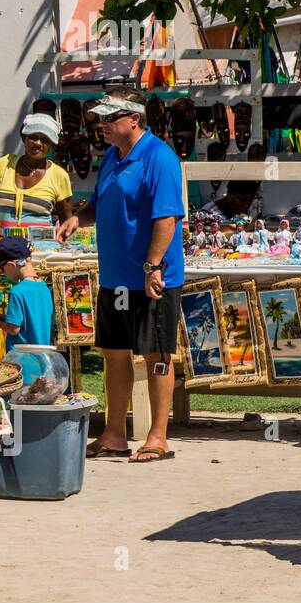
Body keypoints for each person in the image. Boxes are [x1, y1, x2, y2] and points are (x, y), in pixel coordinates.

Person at [55, 88, 185, 464]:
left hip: (152, 277)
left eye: (110, 118)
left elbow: (167, 217)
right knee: (114, 353)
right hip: (116, 278)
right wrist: (78, 217)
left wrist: (153, 265)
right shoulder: (112, 156)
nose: (102, 125)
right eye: (100, 118)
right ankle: (113, 434)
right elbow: (98, 203)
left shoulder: (159, 157)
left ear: (134, 120)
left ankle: (157, 436)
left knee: (156, 354)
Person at [0, 236, 53, 378]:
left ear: (11, 265)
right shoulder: (43, 287)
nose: (3, 273)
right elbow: (33, 318)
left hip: (22, 364)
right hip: (43, 361)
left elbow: (14, 329)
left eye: (1, 269)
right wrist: (6, 317)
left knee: (19, 399)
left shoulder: (17, 292)